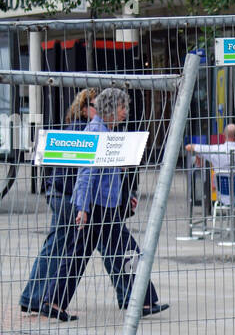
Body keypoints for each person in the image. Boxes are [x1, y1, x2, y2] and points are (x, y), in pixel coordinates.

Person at [42, 86, 168, 320]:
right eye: (122, 107)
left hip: (105, 206)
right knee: (120, 252)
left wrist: (123, 193)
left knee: (84, 254)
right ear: (109, 108)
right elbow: (86, 173)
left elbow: (108, 174)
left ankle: (55, 301)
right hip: (98, 208)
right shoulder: (96, 132)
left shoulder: (106, 132)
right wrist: (83, 208)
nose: (125, 112)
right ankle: (143, 301)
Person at [20, 88, 97, 320]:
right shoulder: (83, 130)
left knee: (57, 245)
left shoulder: (73, 127)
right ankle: (38, 298)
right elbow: (75, 173)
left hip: (59, 193)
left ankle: (35, 298)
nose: (100, 109)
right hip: (66, 196)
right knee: (59, 246)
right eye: (95, 105)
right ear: (84, 108)